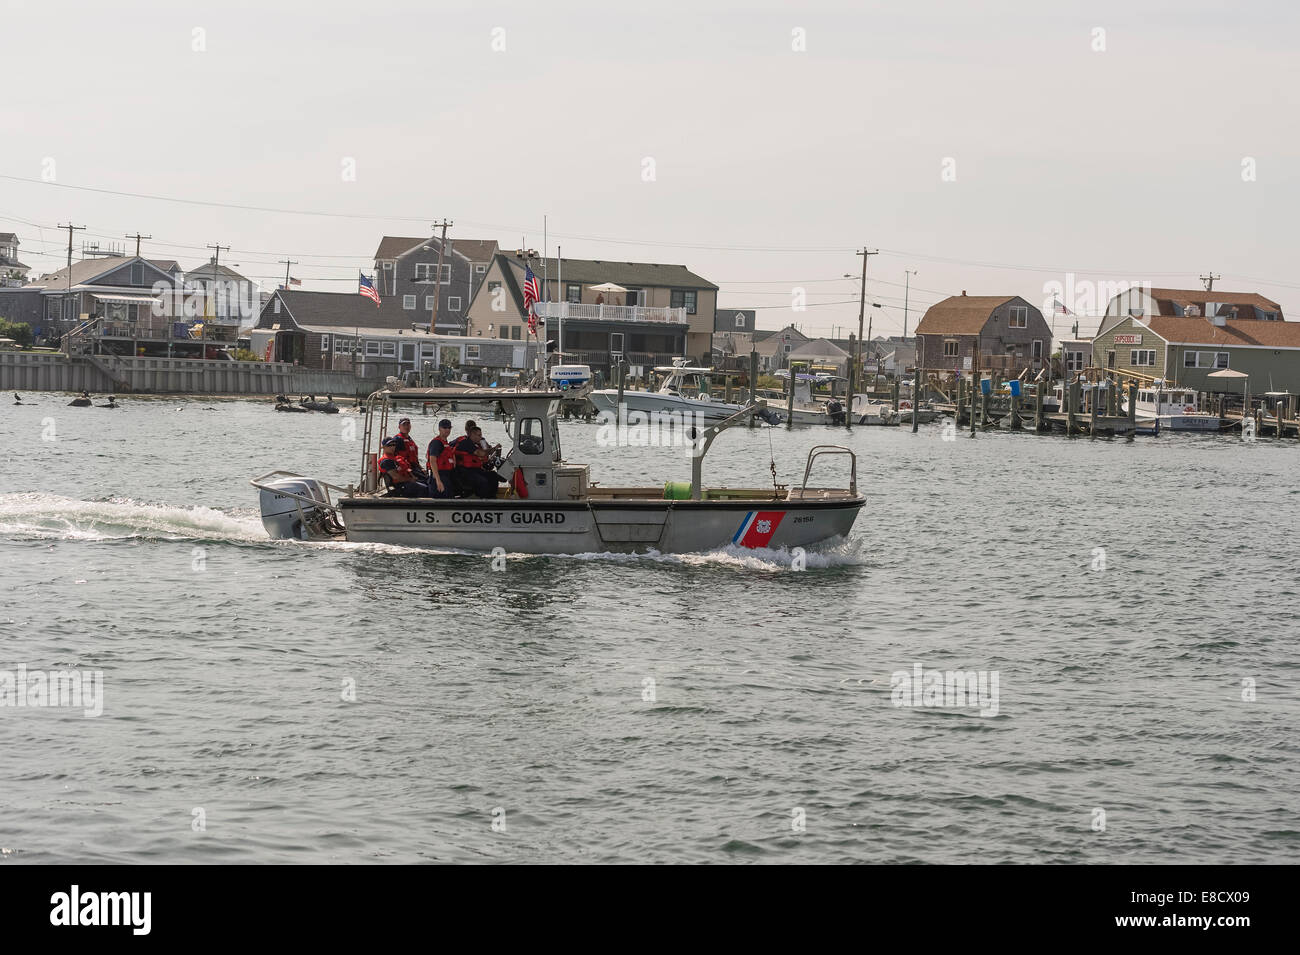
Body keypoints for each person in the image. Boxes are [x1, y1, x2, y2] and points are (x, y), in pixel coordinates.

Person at [452, 428, 498, 498]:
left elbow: (481, 457)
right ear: (472, 435)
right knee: (482, 481)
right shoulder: (466, 443)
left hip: (474, 470)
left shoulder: (475, 444)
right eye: (479, 435)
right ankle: (483, 499)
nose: (481, 437)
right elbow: (481, 453)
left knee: (493, 475)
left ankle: (492, 497)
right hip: (463, 472)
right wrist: (494, 448)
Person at [425, 418, 458, 498]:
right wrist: (438, 481)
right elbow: (432, 461)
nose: (447, 430)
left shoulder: (446, 443)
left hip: (447, 476)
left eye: (449, 428)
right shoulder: (436, 443)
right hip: (439, 476)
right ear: (439, 429)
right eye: (444, 428)